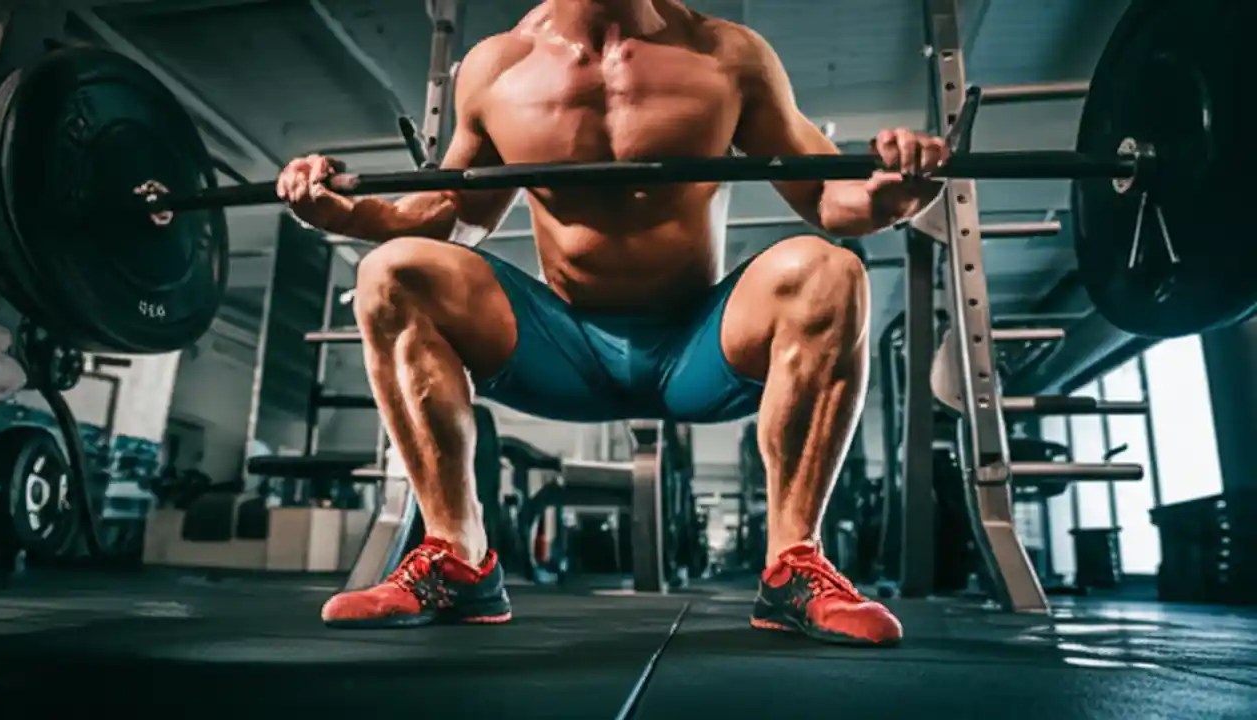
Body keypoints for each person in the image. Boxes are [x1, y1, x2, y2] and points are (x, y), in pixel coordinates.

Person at [277, 0, 947, 646]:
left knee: (829, 271)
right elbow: (453, 214)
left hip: (699, 347)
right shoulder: (496, 68)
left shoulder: (727, 55)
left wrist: (893, 195)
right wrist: (348, 216)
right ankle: (458, 559)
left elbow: (824, 193)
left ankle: (793, 564)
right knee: (391, 272)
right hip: (565, 350)